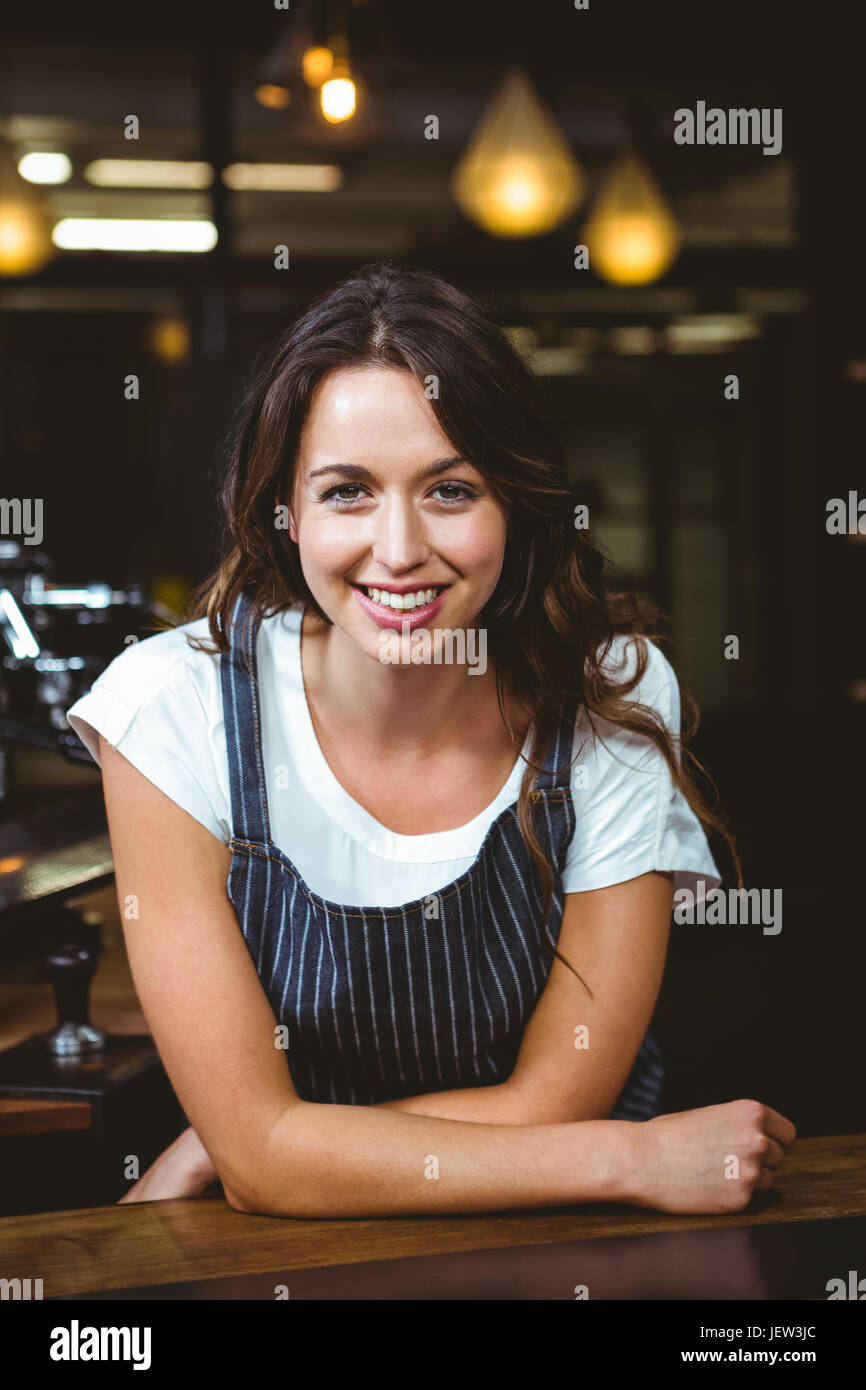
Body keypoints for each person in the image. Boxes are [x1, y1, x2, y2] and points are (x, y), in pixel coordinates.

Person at [66, 260, 795, 1217]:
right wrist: (633, 1161)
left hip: (556, 1238)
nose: (400, 549)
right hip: (316, 1251)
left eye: (451, 491)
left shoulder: (607, 695)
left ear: (516, 502)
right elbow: (266, 1160)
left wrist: (276, 1147)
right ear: (284, 513)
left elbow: (558, 1100)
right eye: (346, 492)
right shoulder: (172, 706)